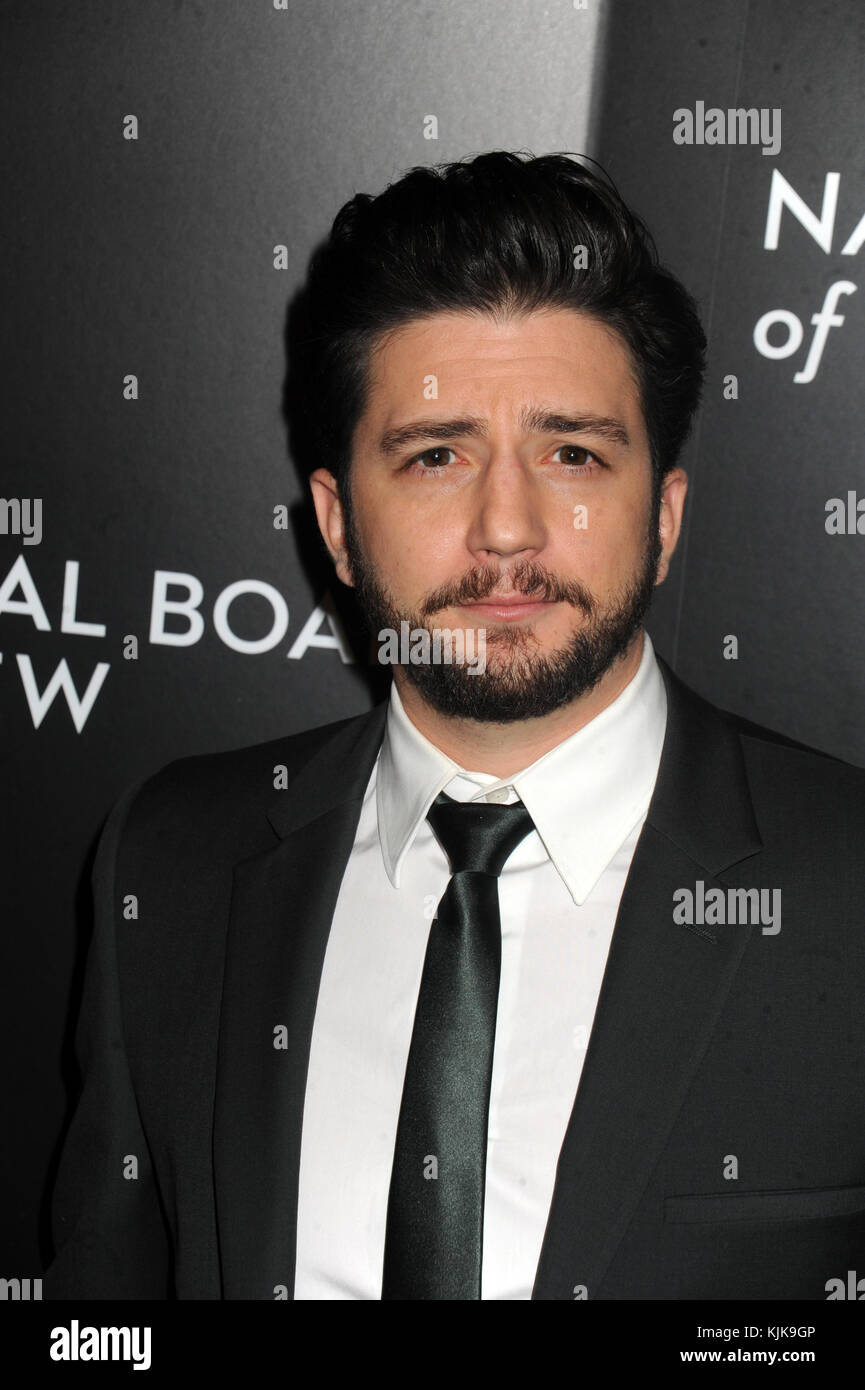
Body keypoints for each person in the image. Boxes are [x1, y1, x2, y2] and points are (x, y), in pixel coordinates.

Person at [43, 151, 865, 1301]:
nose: (508, 527)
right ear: (336, 526)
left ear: (664, 515)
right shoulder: (173, 858)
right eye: (437, 456)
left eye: (571, 452)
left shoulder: (845, 882)